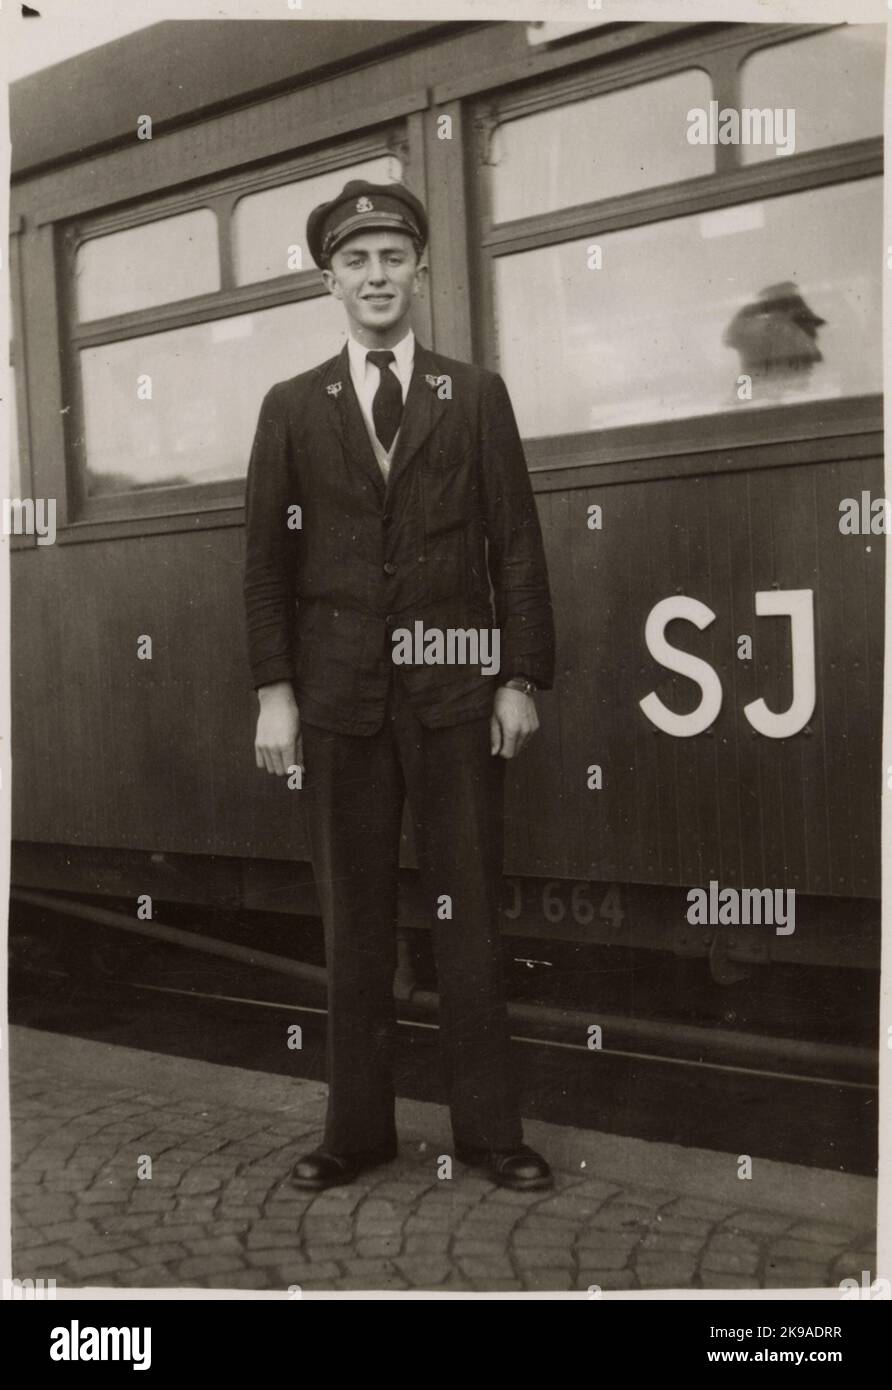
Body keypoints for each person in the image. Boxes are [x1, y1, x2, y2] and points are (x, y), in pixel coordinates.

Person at [243, 180, 556, 1192]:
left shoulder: (476, 395)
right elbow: (264, 567)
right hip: (337, 700)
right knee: (354, 921)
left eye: (392, 257)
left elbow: (515, 544)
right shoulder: (290, 407)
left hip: (456, 694)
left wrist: (518, 673)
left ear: (419, 268)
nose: (376, 276)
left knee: (470, 916)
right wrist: (274, 690)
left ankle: (490, 1134)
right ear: (327, 277)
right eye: (356, 260)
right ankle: (357, 1132)